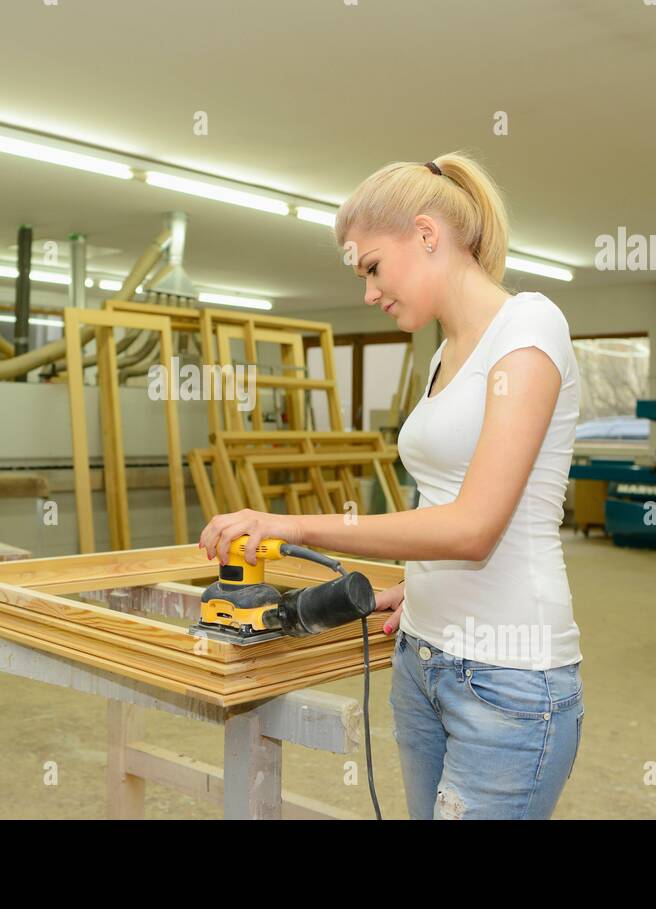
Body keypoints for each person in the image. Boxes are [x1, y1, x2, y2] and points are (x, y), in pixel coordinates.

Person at [198, 155, 583, 819]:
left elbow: (475, 525)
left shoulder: (529, 325)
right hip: (423, 657)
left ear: (427, 234)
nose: (369, 292)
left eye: (372, 265)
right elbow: (445, 504)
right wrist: (423, 583)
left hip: (505, 674)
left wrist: (294, 525)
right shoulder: (443, 352)